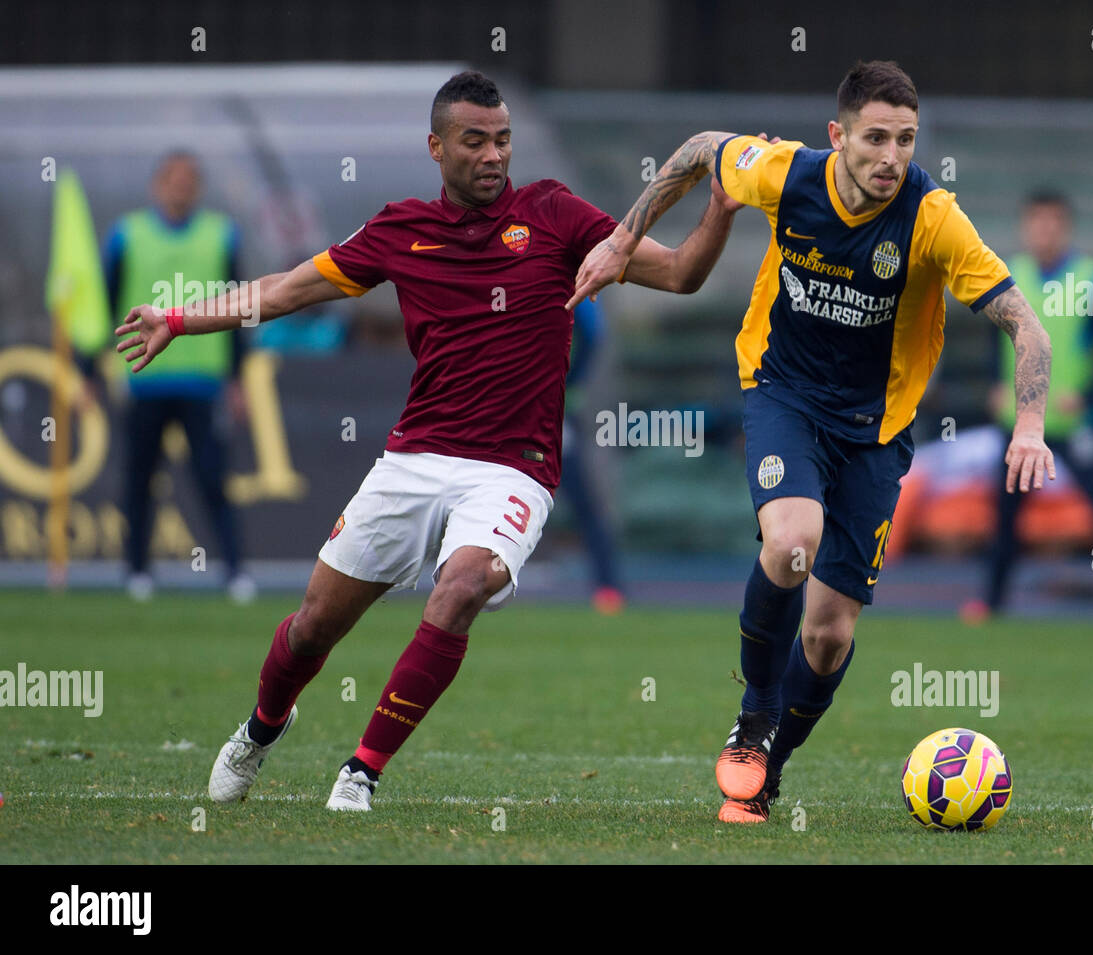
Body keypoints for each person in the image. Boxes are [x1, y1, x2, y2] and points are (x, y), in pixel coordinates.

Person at [116, 71, 744, 811]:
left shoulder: (554, 212)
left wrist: (721, 210)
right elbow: (287, 290)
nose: (492, 155)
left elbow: (678, 274)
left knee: (462, 587)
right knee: (315, 625)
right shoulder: (398, 228)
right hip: (415, 458)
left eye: (502, 139)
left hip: (515, 469)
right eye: (474, 140)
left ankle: (361, 772)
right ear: (436, 146)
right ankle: (260, 729)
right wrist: (181, 321)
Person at [569, 60, 1056, 823]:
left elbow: (1025, 322)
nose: (891, 156)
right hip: (782, 395)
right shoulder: (788, 174)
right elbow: (702, 146)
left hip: (877, 431)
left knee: (829, 637)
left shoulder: (932, 217)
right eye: (874, 138)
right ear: (838, 137)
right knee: (792, 540)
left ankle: (765, 769)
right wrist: (623, 239)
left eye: (905, 139)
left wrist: (1029, 423)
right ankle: (755, 711)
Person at [962, 191, 1093, 631]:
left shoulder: (1092, 279)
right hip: (1018, 426)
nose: (1044, 232)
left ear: (1065, 227)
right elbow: (997, 338)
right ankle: (991, 603)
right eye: (1036, 223)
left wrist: (1087, 396)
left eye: (1052, 223)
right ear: (1025, 227)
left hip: (1073, 424)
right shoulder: (1011, 275)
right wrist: (996, 383)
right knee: (1005, 516)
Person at [95, 151, 254, 603]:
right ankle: (137, 572)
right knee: (139, 477)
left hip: (202, 380)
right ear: (157, 185)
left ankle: (235, 571)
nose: (180, 188)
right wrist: (89, 370)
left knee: (211, 477)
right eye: (173, 180)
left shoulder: (220, 235)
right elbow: (102, 306)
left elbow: (241, 306)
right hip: (143, 378)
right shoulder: (127, 235)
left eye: (189, 181)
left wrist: (237, 378)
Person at [563, 297, 626, 613]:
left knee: (585, 504)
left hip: (556, 413)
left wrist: (569, 381)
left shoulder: (573, 281)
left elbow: (594, 331)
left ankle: (608, 585)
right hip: (522, 408)